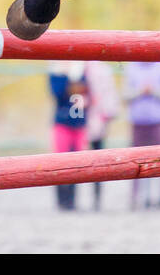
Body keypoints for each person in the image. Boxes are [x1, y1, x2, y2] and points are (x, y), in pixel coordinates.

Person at [124, 61, 160, 209]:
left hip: (159, 121)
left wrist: (153, 91)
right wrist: (140, 91)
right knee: (134, 162)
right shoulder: (131, 67)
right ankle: (136, 198)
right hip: (138, 122)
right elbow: (125, 94)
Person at [47, 61, 88, 211]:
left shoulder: (80, 71)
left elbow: (84, 93)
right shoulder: (55, 73)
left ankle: (72, 200)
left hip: (78, 123)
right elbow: (58, 94)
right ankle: (61, 200)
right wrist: (68, 77)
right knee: (59, 162)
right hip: (63, 123)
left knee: (77, 163)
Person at [82, 60, 120, 211]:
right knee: (93, 160)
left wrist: (106, 114)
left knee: (97, 160)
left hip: (95, 117)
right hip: (84, 118)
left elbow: (108, 94)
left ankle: (96, 198)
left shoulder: (100, 69)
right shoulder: (82, 68)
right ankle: (92, 199)